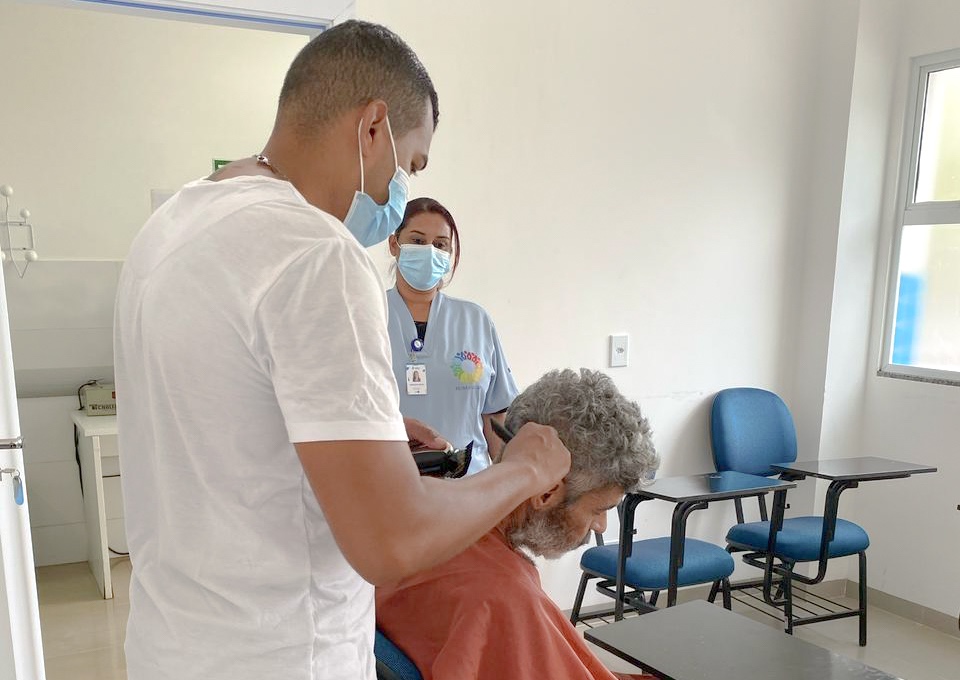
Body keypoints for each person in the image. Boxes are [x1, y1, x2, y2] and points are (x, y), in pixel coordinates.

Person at [113, 20, 570, 680]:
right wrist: (524, 471)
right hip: (281, 657)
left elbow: (221, 426)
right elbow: (393, 540)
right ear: (373, 127)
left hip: (171, 646)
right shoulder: (315, 255)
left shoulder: (171, 227)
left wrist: (373, 437)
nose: (399, 190)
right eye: (410, 166)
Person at [376, 368, 661, 680]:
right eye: (599, 509)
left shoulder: (424, 525)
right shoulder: (500, 596)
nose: (601, 526)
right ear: (547, 492)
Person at [386, 197, 518, 473]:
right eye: (418, 241)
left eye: (440, 245)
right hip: (390, 486)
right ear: (394, 244)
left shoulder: (475, 320)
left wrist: (509, 483)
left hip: (470, 486)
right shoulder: (366, 315)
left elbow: (496, 415)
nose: (429, 251)